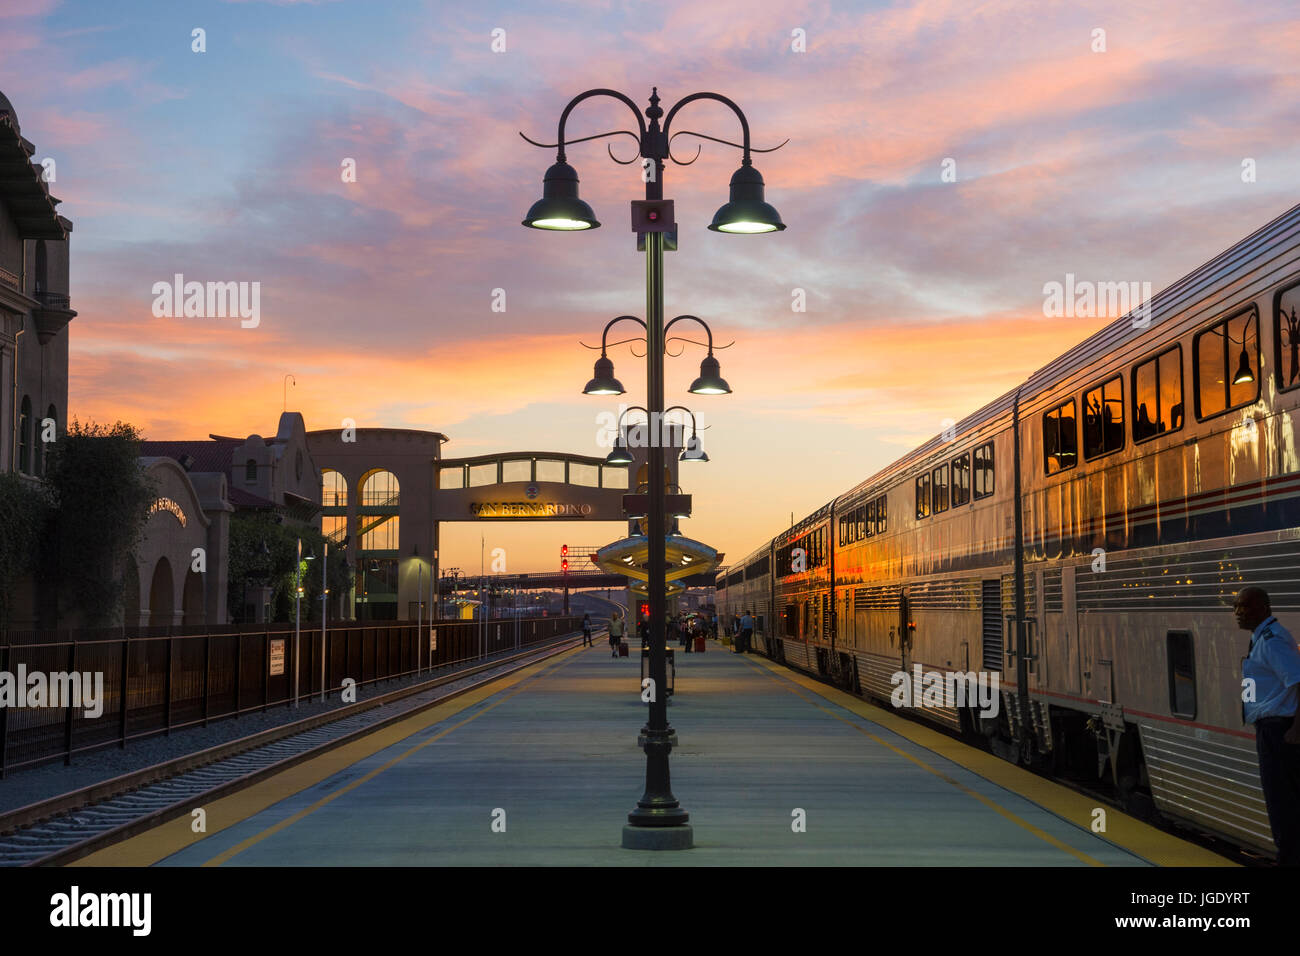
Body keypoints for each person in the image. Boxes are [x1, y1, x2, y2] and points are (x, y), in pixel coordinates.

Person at [1235, 586, 1300, 866]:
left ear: (1263, 608)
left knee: (1283, 802)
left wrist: (1296, 730)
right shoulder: (1261, 638)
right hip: (1271, 728)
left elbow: (1298, 682)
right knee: (1279, 802)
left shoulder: (1272, 640)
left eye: (1245, 606)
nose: (1238, 613)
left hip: (1280, 731)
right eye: (1236, 607)